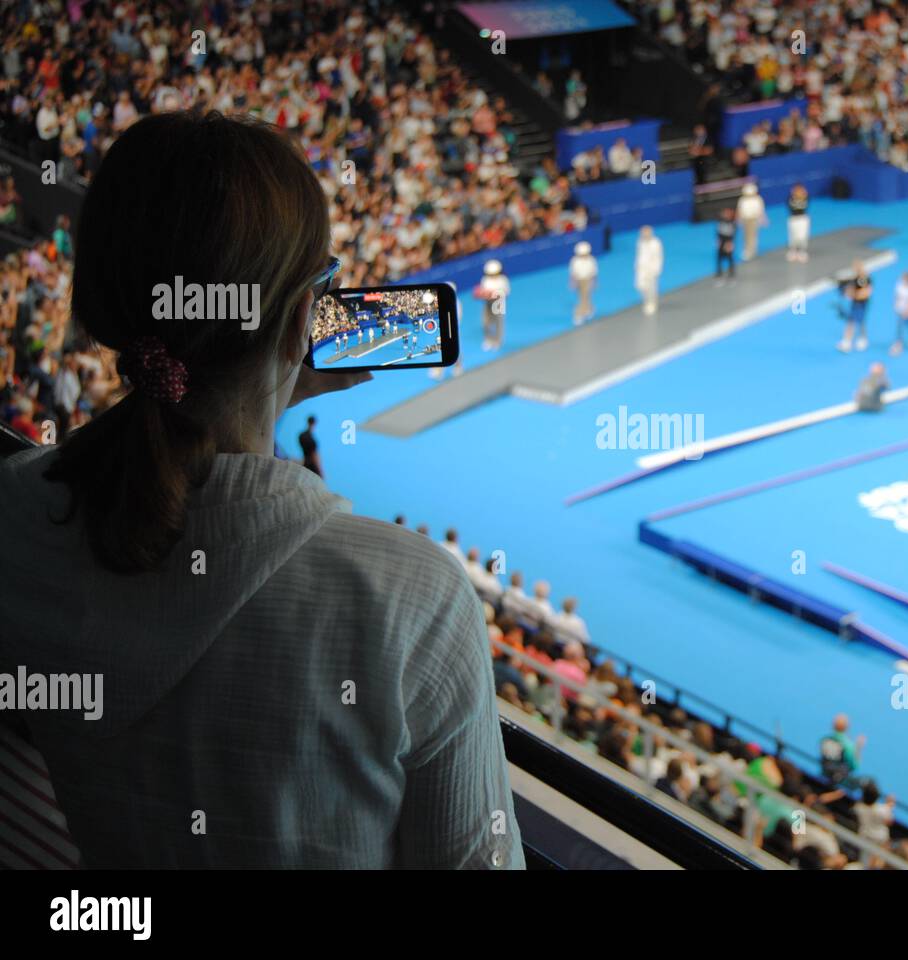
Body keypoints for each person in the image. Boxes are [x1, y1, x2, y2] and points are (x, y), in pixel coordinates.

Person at [0, 111, 522, 869]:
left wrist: (265, 382)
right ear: (302, 320)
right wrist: (265, 382)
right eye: (323, 280)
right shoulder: (412, 599)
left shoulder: (18, 514)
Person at [838, 260, 872, 352]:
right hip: (855, 303)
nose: (856, 269)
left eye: (857, 267)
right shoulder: (855, 278)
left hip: (861, 304)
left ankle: (860, 340)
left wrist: (854, 295)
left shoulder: (865, 279)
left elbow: (866, 292)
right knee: (852, 321)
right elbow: (850, 290)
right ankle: (849, 341)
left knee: (858, 321)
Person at [476, 259, 510, 351]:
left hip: (498, 303)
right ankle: (488, 340)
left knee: (498, 322)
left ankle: (498, 341)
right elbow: (482, 291)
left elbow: (506, 293)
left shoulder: (503, 280)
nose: (492, 275)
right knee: (485, 322)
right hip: (487, 303)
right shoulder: (485, 280)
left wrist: (495, 294)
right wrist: (481, 294)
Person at [634, 225, 664, 315]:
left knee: (651, 287)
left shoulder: (656, 243)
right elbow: (639, 254)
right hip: (641, 268)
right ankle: (646, 300)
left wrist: (657, 269)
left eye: (645, 233)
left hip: (651, 269)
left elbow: (659, 257)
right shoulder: (640, 242)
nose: (643, 235)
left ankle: (651, 303)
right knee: (640, 286)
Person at [736, 183, 768, 261]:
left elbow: (761, 210)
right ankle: (746, 250)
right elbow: (739, 210)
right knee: (745, 235)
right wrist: (738, 219)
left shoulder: (758, 199)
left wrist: (763, 219)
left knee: (753, 235)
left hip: (754, 219)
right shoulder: (742, 199)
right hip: (745, 219)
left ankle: (752, 250)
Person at [568, 240, 597, 326]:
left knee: (584, 297)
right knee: (583, 296)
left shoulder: (591, 260)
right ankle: (587, 310)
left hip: (587, 280)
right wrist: (572, 282)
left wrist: (594, 281)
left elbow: (594, 272)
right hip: (578, 280)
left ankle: (581, 313)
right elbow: (573, 273)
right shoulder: (574, 261)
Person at [786, 183, 811, 262]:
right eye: (796, 190)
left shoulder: (806, 198)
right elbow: (792, 208)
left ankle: (802, 252)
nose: (798, 192)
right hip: (793, 219)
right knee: (793, 236)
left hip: (803, 219)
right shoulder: (790, 199)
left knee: (802, 236)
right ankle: (793, 252)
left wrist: (804, 196)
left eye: (800, 190)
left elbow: (803, 206)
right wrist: (794, 197)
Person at [715, 208, 737, 283]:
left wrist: (730, 243)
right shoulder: (720, 222)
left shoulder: (732, 223)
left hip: (728, 242)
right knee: (719, 257)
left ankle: (731, 272)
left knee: (729, 257)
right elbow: (718, 232)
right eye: (725, 213)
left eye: (727, 214)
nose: (725, 215)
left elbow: (733, 234)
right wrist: (718, 241)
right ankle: (719, 271)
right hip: (722, 241)